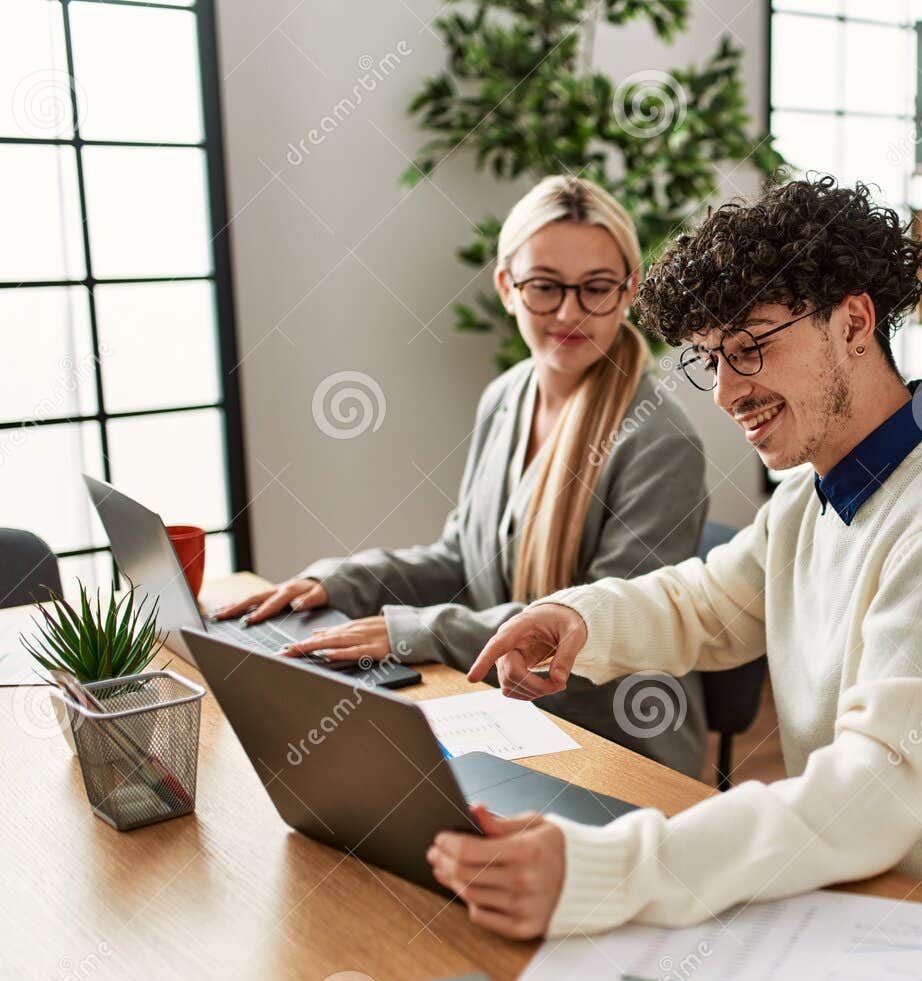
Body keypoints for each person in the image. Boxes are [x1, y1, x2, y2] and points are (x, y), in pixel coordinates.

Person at [427, 176, 922, 945]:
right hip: (850, 892)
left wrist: (609, 869)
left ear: (854, 322)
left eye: (749, 349)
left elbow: (870, 795)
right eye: (712, 359)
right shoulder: (818, 488)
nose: (726, 392)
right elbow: (707, 604)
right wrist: (577, 618)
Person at [213, 175, 709, 775]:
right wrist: (341, 582)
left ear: (629, 289)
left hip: (618, 747)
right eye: (544, 286)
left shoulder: (660, 441)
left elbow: (602, 627)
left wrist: (416, 630)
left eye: (597, 288)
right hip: (511, 716)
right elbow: (462, 560)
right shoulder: (506, 397)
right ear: (507, 287)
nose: (569, 312)